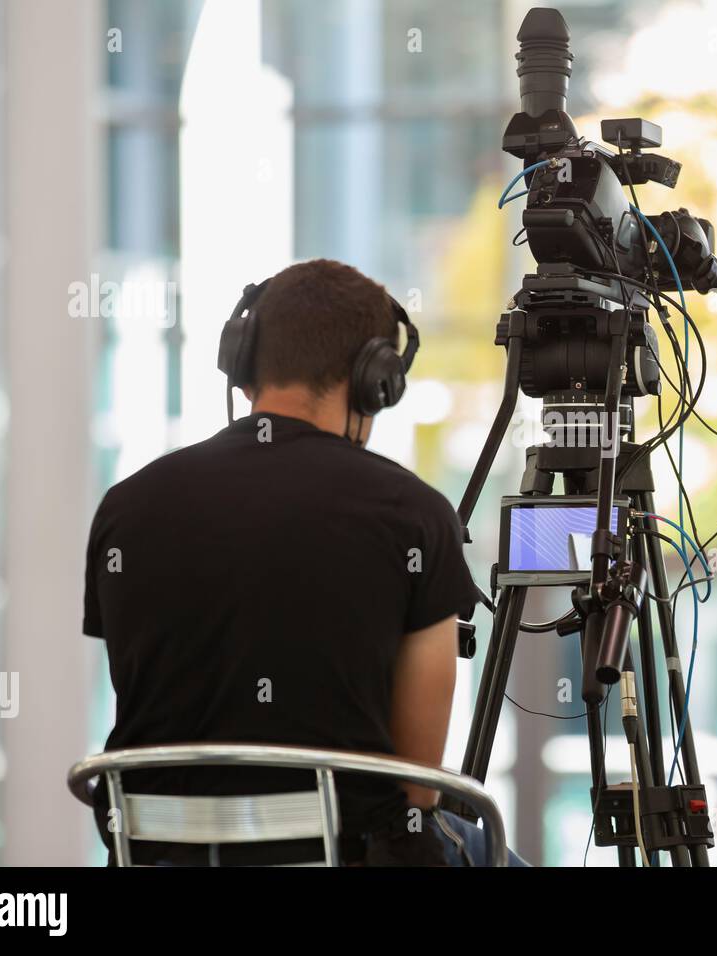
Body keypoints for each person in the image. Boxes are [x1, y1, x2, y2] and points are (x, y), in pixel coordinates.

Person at [82, 258, 524, 866]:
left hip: (159, 856)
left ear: (241, 365)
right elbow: (417, 789)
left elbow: (147, 696)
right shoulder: (414, 516)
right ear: (376, 379)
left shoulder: (125, 509)